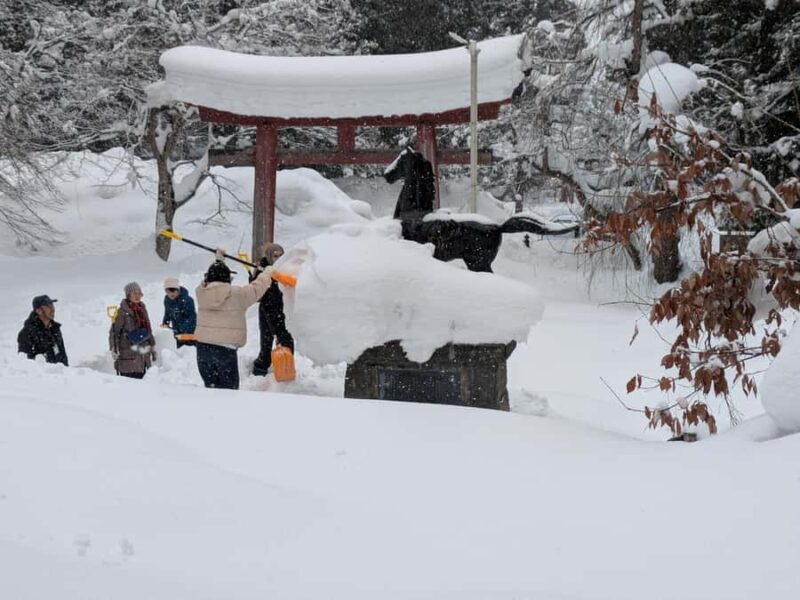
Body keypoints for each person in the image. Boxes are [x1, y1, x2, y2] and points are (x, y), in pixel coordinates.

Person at [194, 252, 273, 390]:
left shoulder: (201, 293)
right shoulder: (236, 294)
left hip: (203, 349)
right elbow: (256, 288)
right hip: (225, 350)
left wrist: (218, 261)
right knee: (229, 392)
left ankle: (210, 412)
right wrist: (267, 274)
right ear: (228, 278)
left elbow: (208, 281)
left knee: (211, 389)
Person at [251, 243, 294, 376]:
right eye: (275, 256)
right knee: (266, 340)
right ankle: (261, 367)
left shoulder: (288, 268)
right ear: (269, 256)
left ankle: (286, 367)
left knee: (285, 338)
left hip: (283, 309)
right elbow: (255, 292)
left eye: (281, 255)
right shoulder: (262, 268)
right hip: (266, 308)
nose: (279, 258)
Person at [109, 282, 156, 379]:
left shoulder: (142, 309)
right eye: (134, 293)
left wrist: (153, 346)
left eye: (139, 293)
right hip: (128, 358)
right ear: (128, 295)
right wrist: (113, 348)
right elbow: (114, 332)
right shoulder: (121, 312)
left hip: (143, 357)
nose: (137, 296)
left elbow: (147, 329)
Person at [17, 295, 68, 366]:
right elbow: (26, 363)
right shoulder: (27, 333)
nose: (52, 309)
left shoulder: (55, 328)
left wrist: (66, 371)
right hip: (43, 376)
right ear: (39, 311)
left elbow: (62, 355)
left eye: (52, 306)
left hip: (60, 374)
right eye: (48, 307)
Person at [161, 277, 197, 348]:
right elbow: (167, 312)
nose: (171, 294)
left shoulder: (188, 300)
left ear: (178, 290)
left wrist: (185, 329)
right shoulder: (167, 300)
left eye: (173, 291)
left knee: (189, 353)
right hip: (177, 332)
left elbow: (192, 316)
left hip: (190, 333)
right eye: (168, 292)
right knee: (179, 353)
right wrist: (165, 323)